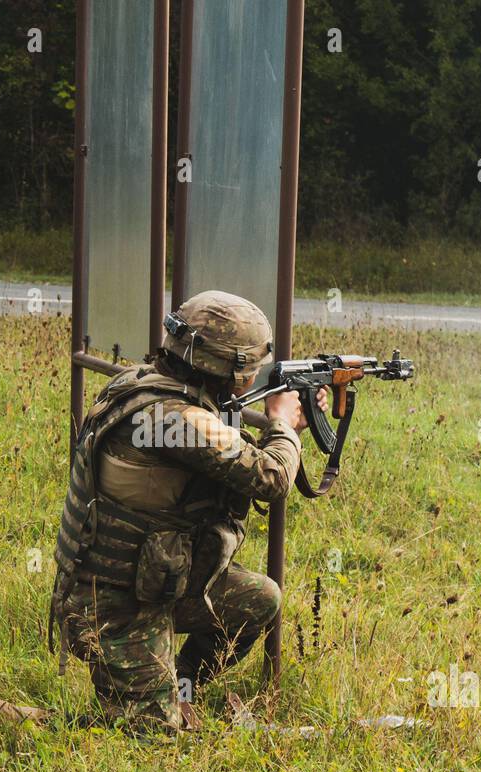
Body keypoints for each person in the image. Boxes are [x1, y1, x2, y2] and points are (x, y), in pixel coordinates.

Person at [51, 290, 327, 733]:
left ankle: (180, 688)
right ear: (230, 369)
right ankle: (24, 719)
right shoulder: (174, 418)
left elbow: (216, 451)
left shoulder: (141, 384)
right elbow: (271, 479)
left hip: (147, 585)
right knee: (149, 738)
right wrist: (282, 424)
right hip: (113, 605)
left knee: (259, 599)